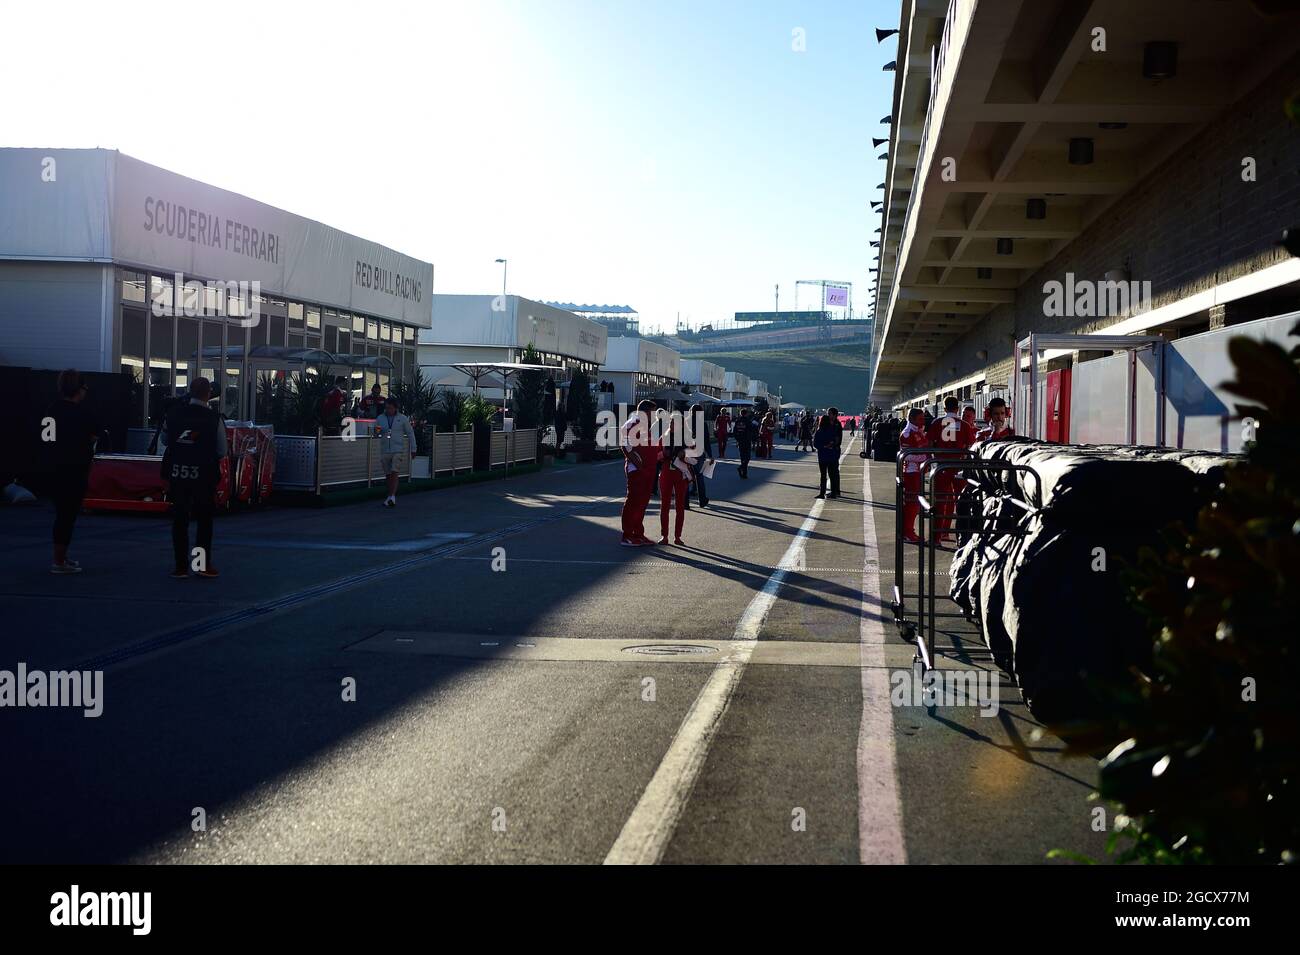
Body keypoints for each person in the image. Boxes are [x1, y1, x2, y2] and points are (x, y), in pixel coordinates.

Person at [163, 377, 225, 579]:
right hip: (204, 477)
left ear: (190, 391)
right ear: (208, 394)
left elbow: (165, 439)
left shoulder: (173, 414)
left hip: (178, 474)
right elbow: (222, 450)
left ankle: (180, 566)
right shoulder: (214, 418)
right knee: (204, 522)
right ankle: (200, 564)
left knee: (179, 520)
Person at [46, 369, 98, 574]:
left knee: (62, 514)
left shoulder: (51, 411)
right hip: (75, 470)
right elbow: (94, 437)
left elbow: (46, 440)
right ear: (79, 390)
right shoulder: (83, 414)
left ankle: (62, 556)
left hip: (54, 468)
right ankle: (59, 561)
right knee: (67, 516)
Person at [925, 395, 973, 542]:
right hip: (958, 466)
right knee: (961, 502)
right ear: (957, 409)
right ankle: (961, 537)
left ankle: (937, 537)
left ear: (944, 409)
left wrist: (933, 458)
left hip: (941, 467)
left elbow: (930, 442)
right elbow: (969, 444)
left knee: (939, 503)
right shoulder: (964, 424)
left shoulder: (937, 423)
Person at [620, 400, 660, 546]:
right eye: (652, 412)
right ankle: (627, 535)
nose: (654, 415)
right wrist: (637, 464)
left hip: (648, 470)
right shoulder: (632, 423)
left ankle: (638, 533)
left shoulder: (646, 426)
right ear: (645, 412)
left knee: (642, 503)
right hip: (637, 471)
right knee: (633, 502)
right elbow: (625, 444)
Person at [374, 396, 417, 508]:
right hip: (385, 449)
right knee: (388, 474)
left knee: (394, 471)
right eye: (387, 408)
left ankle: (392, 496)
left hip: (397, 449)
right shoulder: (380, 418)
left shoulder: (402, 418)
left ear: (395, 408)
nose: (388, 410)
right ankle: (390, 496)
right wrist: (377, 431)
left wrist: (414, 449)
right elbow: (376, 432)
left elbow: (410, 433)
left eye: (390, 408)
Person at [658, 412, 692, 544]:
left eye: (675, 422)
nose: (672, 424)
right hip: (666, 473)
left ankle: (678, 536)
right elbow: (656, 456)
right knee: (664, 505)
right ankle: (664, 535)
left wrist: (685, 454)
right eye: (671, 422)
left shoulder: (687, 439)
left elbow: (695, 458)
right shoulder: (664, 437)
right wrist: (663, 454)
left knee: (680, 506)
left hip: (681, 474)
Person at [899, 407, 928, 542]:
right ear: (912, 419)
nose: (923, 420)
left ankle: (908, 530)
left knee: (915, 504)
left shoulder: (918, 431)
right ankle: (907, 532)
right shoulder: (907, 433)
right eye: (920, 418)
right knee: (912, 503)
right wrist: (925, 458)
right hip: (911, 472)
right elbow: (907, 456)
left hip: (918, 471)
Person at [686, 403, 714, 508]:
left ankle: (685, 502)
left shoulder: (685, 422)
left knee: (685, 476)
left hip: (686, 451)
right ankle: (702, 499)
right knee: (699, 476)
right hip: (698, 452)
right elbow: (706, 441)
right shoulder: (702, 424)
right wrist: (710, 455)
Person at [812, 413, 841, 499]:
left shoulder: (819, 431)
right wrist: (831, 444)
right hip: (831, 455)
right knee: (832, 475)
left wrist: (823, 446)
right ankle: (834, 492)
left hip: (822, 455)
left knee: (823, 475)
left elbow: (815, 444)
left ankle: (822, 493)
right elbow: (836, 440)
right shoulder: (833, 430)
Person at [732, 407, 755, 478]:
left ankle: (744, 473)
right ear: (746, 414)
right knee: (747, 457)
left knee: (742, 457)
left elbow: (735, 431)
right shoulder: (748, 421)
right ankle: (742, 469)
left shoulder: (737, 421)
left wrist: (737, 439)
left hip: (740, 441)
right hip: (747, 441)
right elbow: (751, 431)